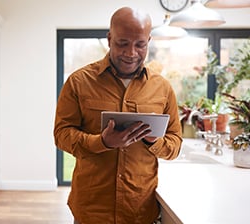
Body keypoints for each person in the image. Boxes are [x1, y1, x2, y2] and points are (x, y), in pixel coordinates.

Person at [53, 7, 182, 224]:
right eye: (122, 43)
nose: (131, 53)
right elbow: (62, 135)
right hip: (92, 209)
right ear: (109, 38)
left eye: (140, 44)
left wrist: (154, 141)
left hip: (140, 210)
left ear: (148, 41)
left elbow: (175, 145)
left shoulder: (163, 89)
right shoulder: (78, 82)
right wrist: (102, 141)